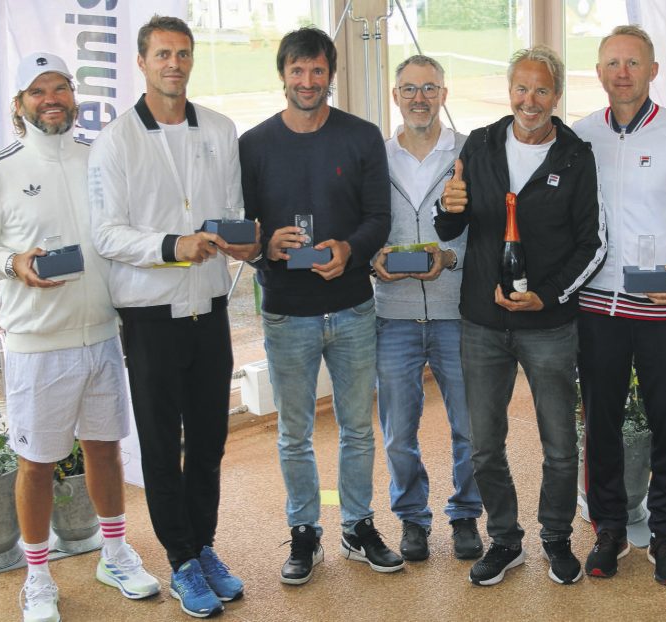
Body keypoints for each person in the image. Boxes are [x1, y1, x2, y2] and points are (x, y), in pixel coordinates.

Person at [89, 16, 258, 618]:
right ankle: (181, 560)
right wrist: (172, 246)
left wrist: (244, 239)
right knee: (163, 446)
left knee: (210, 441)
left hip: (208, 309)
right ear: (141, 61)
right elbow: (107, 234)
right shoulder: (114, 142)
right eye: (162, 54)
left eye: (183, 54)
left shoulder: (219, 128)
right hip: (150, 316)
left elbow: (232, 210)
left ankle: (203, 546)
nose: (174, 64)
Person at [0, 52, 159, 622]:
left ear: (74, 95)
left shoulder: (99, 156)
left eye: (60, 88)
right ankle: (38, 577)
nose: (51, 99)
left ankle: (114, 554)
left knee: (104, 449)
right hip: (37, 344)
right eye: (38, 91)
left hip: (102, 336)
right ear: (20, 104)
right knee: (36, 463)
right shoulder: (2, 168)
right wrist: (13, 261)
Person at [436, 45, 605, 587]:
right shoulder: (481, 143)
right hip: (483, 324)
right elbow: (450, 226)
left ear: (557, 96)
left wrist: (547, 297)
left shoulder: (575, 156)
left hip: (548, 326)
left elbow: (592, 244)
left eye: (541, 90)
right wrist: (447, 207)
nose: (530, 101)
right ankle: (505, 540)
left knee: (560, 446)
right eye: (521, 88)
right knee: (484, 444)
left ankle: (556, 537)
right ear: (509, 91)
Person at [239, 27, 398, 586]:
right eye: (297, 70)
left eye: (317, 70)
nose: (307, 81)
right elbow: (242, 230)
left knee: (358, 428)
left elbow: (379, 217)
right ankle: (304, 531)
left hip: (352, 308)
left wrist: (350, 250)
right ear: (283, 74)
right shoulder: (253, 144)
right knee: (294, 434)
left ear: (331, 74)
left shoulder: (361, 136)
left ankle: (357, 525)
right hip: (287, 313)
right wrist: (266, 245)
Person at [572, 25, 666, 585]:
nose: (623, 72)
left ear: (653, 71)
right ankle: (609, 529)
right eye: (612, 63)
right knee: (601, 423)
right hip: (597, 307)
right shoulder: (580, 135)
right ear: (599, 72)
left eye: (633, 62)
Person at [372, 54, 483, 563]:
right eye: (410, 89)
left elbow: (486, 231)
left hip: (456, 312)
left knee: (471, 427)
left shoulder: (470, 153)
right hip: (393, 314)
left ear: (444, 94)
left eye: (430, 88)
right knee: (399, 433)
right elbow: (362, 226)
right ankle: (412, 518)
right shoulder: (375, 158)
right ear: (396, 96)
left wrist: (450, 256)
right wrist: (372, 260)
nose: (420, 98)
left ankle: (465, 515)